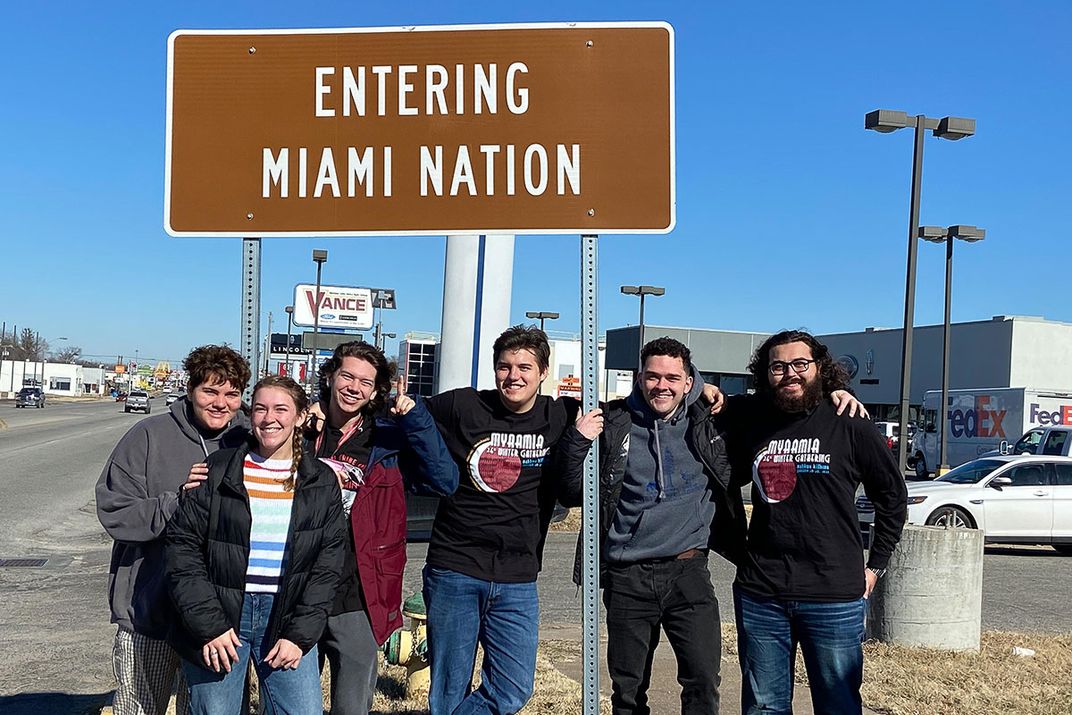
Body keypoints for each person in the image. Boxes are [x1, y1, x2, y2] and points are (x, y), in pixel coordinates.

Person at [421, 325, 604, 715]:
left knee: (512, 689)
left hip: (517, 576)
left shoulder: (561, 415)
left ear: (542, 372)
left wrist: (698, 391)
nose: (513, 376)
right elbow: (406, 416)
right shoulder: (463, 406)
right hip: (454, 568)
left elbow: (636, 405)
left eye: (524, 367)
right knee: (448, 690)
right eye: (504, 367)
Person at [725, 330, 907, 715]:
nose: (790, 373)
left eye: (800, 364)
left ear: (819, 368)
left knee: (837, 705)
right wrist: (705, 391)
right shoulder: (754, 416)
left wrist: (876, 565)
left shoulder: (849, 421)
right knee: (763, 706)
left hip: (833, 595)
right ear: (765, 373)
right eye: (778, 366)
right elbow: (708, 400)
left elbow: (892, 497)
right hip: (762, 593)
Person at [564, 337, 743, 715]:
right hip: (628, 577)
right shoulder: (613, 423)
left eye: (672, 378)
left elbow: (779, 406)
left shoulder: (708, 421)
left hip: (689, 572)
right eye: (653, 376)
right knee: (628, 691)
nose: (662, 385)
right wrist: (579, 441)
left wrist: (838, 392)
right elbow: (569, 490)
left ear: (689, 381)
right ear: (639, 378)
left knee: (703, 681)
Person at [164, 375, 347, 714]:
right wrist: (210, 626)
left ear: (301, 416)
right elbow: (182, 549)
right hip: (223, 616)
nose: (269, 418)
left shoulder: (320, 480)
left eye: (281, 408)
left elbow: (328, 565)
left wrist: (299, 636)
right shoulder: (218, 470)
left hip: (285, 617)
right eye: (260, 408)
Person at [96, 345, 251, 715]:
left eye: (231, 393)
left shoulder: (252, 440)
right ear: (191, 389)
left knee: (203, 709)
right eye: (209, 391)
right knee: (139, 707)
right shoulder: (148, 435)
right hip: (150, 608)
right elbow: (115, 511)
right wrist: (179, 501)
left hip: (218, 619)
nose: (221, 403)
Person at [308, 341, 459, 715]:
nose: (353, 387)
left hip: (359, 591)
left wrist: (415, 418)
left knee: (353, 705)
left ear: (376, 391)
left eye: (365, 382)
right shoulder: (300, 428)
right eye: (347, 375)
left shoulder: (387, 438)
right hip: (298, 588)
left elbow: (444, 480)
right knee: (292, 703)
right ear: (329, 376)